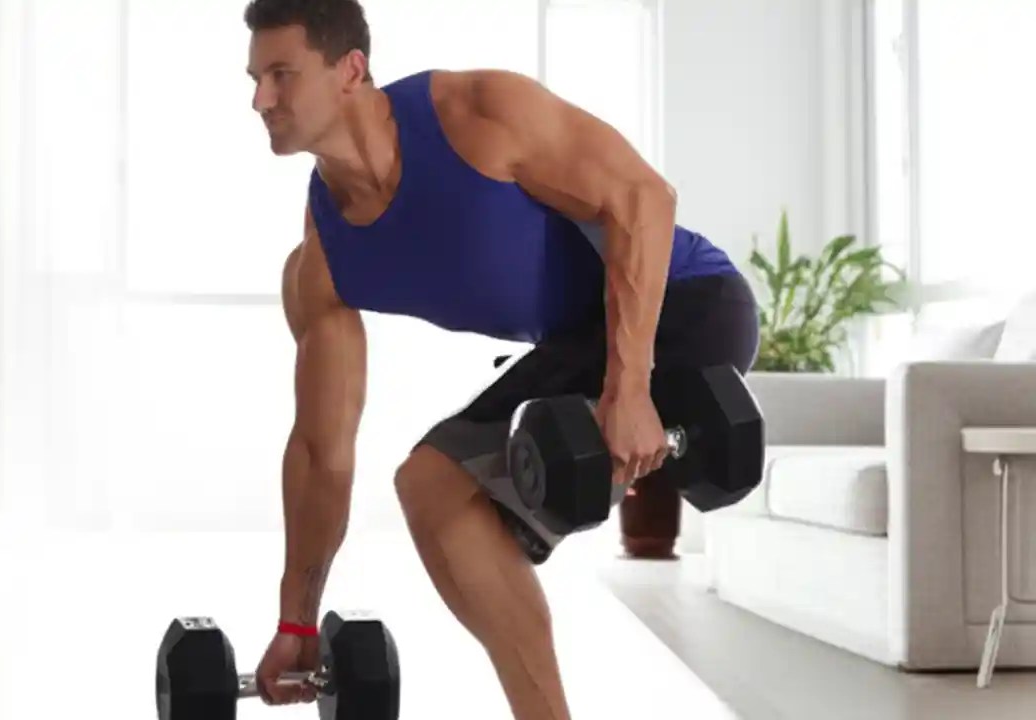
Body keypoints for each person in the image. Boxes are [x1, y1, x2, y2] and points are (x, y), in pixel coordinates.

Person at [243, 1, 759, 717]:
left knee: (435, 480)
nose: (259, 99)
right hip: (581, 340)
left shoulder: (474, 113)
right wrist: (297, 621)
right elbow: (321, 451)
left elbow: (644, 198)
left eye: (280, 74)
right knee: (429, 487)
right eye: (256, 79)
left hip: (688, 302)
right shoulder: (324, 263)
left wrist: (630, 387)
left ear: (350, 71)